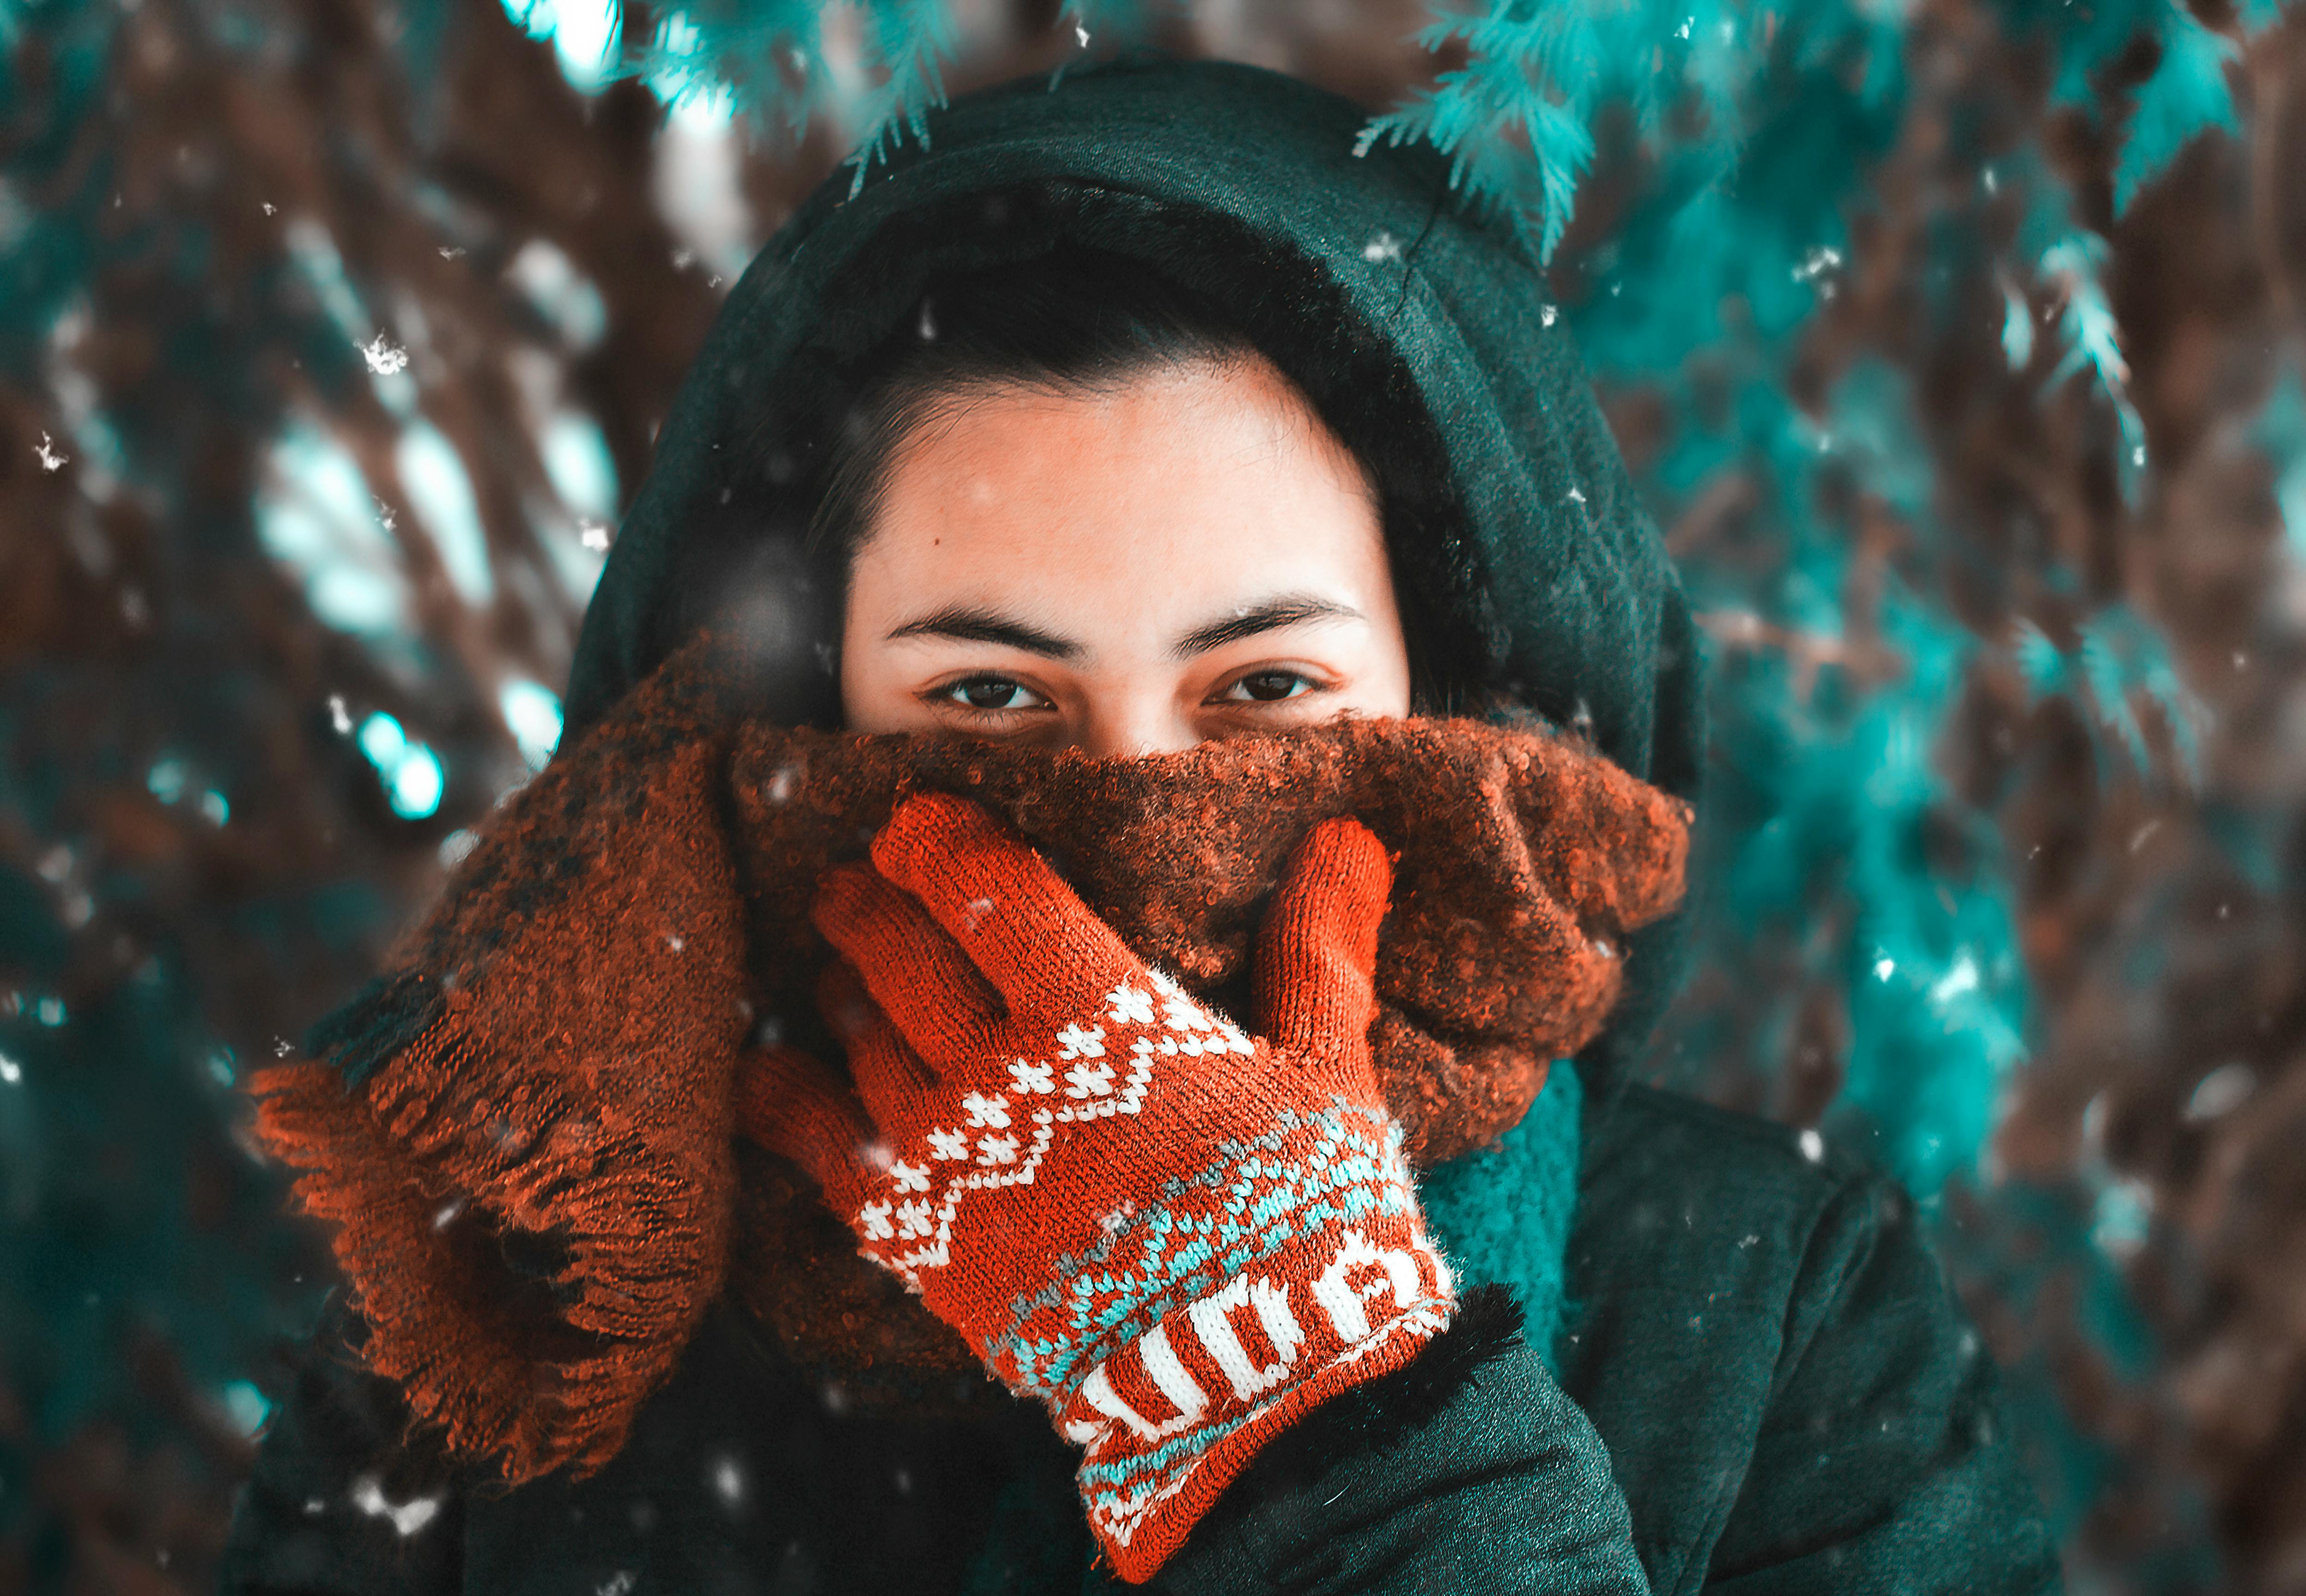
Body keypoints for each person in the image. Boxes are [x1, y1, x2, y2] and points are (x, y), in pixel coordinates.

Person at [220, 54, 2063, 1596]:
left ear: (1452, 691)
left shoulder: (1778, 1332)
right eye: (991, 701)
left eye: (1264, 692)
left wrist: (1322, 1409)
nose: (1137, 817)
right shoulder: (509, 1307)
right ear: (804, 710)